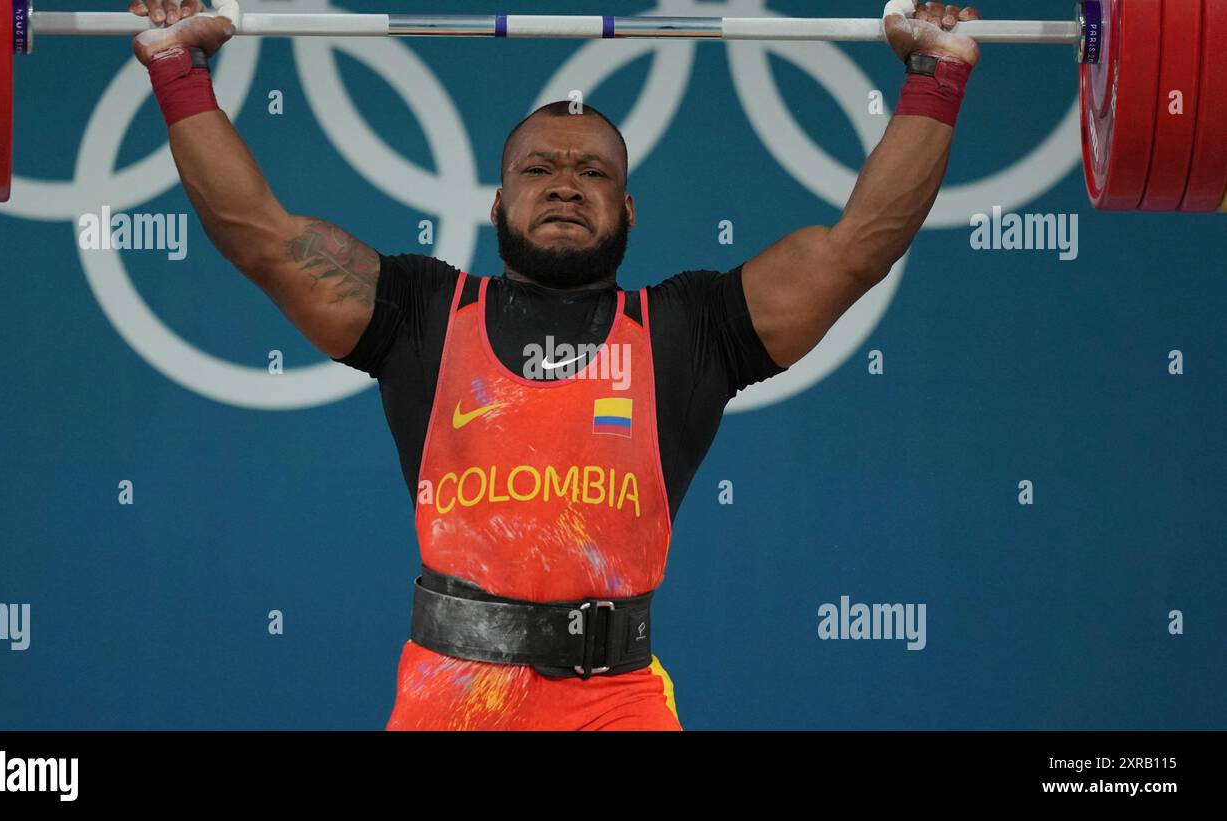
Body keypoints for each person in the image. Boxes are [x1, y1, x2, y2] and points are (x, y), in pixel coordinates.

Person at [128, 0, 981, 730]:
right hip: (450, 697)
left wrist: (937, 76)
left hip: (617, 703)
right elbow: (261, 237)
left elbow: (856, 250)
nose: (565, 184)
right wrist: (175, 66)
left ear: (629, 207)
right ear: (499, 203)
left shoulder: (691, 329)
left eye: (592, 171)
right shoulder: (422, 314)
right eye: (538, 169)